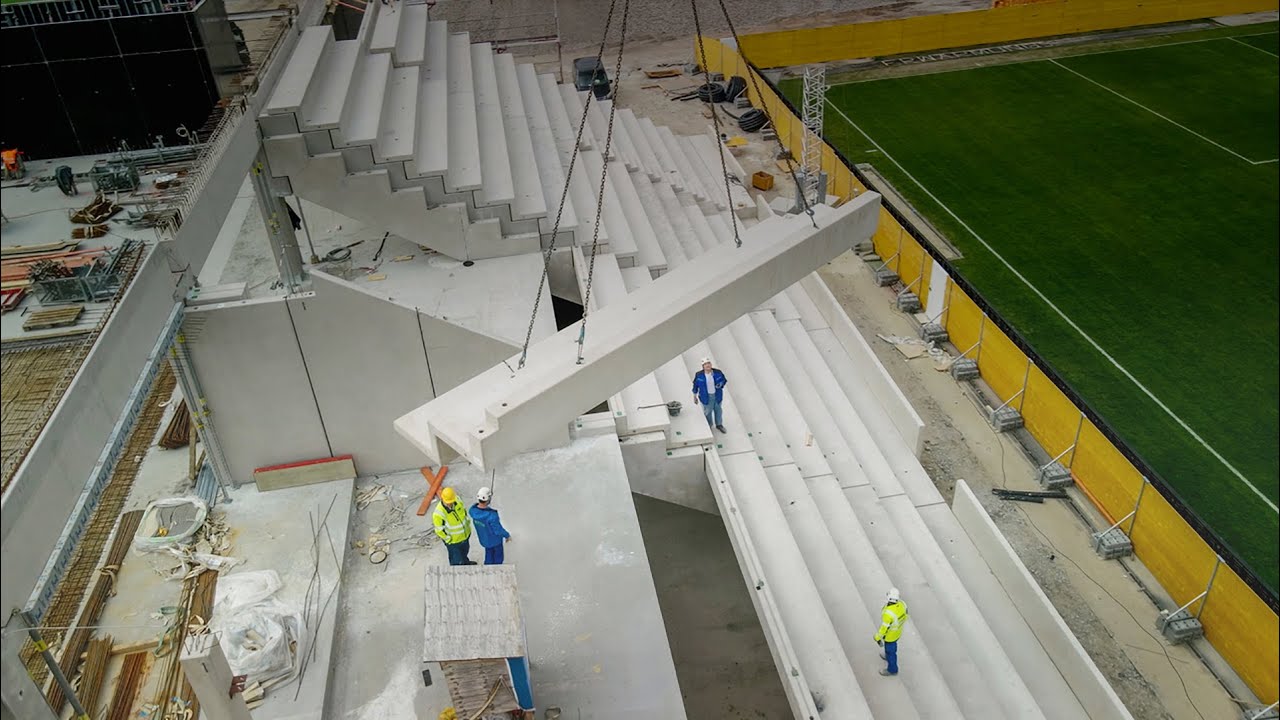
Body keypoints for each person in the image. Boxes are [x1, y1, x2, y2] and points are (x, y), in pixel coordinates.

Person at [469, 486, 511, 565]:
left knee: (489, 553)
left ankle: (488, 567)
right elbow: (498, 530)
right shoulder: (491, 516)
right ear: (488, 499)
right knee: (498, 557)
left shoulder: (473, 511)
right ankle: (497, 570)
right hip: (495, 541)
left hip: (484, 539)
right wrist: (507, 535)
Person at [432, 487, 475, 566]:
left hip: (465, 536)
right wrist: (448, 540)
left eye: (451, 501)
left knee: (464, 553)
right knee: (456, 561)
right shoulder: (438, 513)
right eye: (448, 502)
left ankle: (466, 563)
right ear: (442, 499)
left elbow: (464, 512)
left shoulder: (457, 500)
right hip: (453, 542)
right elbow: (439, 530)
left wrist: (467, 526)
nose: (450, 504)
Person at [875, 587, 909, 676]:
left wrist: (877, 637)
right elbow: (906, 616)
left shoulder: (888, 613)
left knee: (891, 652)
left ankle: (892, 669)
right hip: (897, 632)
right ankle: (887, 655)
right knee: (891, 648)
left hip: (890, 636)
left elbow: (883, 629)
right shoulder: (902, 605)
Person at [691, 357, 728, 433]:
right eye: (705, 364)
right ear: (703, 366)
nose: (707, 365)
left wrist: (720, 384)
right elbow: (695, 386)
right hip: (706, 397)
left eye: (708, 363)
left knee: (718, 410)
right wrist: (694, 396)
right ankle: (709, 425)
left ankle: (719, 424)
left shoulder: (718, 372)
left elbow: (724, 380)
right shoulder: (699, 375)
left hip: (717, 395)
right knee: (708, 412)